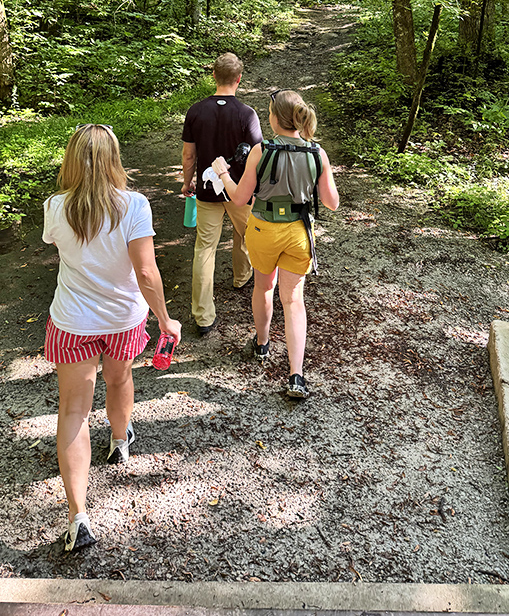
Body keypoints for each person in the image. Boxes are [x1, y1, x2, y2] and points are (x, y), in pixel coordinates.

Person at [43, 124, 181, 552]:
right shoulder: (134, 205)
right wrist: (166, 319)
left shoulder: (55, 207)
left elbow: (68, 254)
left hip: (73, 322)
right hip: (123, 320)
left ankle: (77, 518)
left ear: (71, 160)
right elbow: (146, 271)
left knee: (74, 411)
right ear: (114, 160)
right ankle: (120, 442)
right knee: (119, 379)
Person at [212, 89, 339, 398]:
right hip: (298, 232)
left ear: (275, 119)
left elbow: (239, 198)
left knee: (264, 287)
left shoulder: (261, 151)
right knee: (293, 300)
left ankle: (262, 344)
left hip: (264, 229)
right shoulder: (316, 153)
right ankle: (296, 376)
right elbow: (332, 202)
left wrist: (224, 174)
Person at [182, 52, 263, 336]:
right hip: (240, 190)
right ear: (239, 79)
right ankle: (242, 277)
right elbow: (258, 156)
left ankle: (203, 316)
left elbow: (189, 155)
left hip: (207, 191)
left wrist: (187, 182)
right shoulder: (246, 114)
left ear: (214, 75)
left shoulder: (195, 111)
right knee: (247, 234)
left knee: (205, 248)